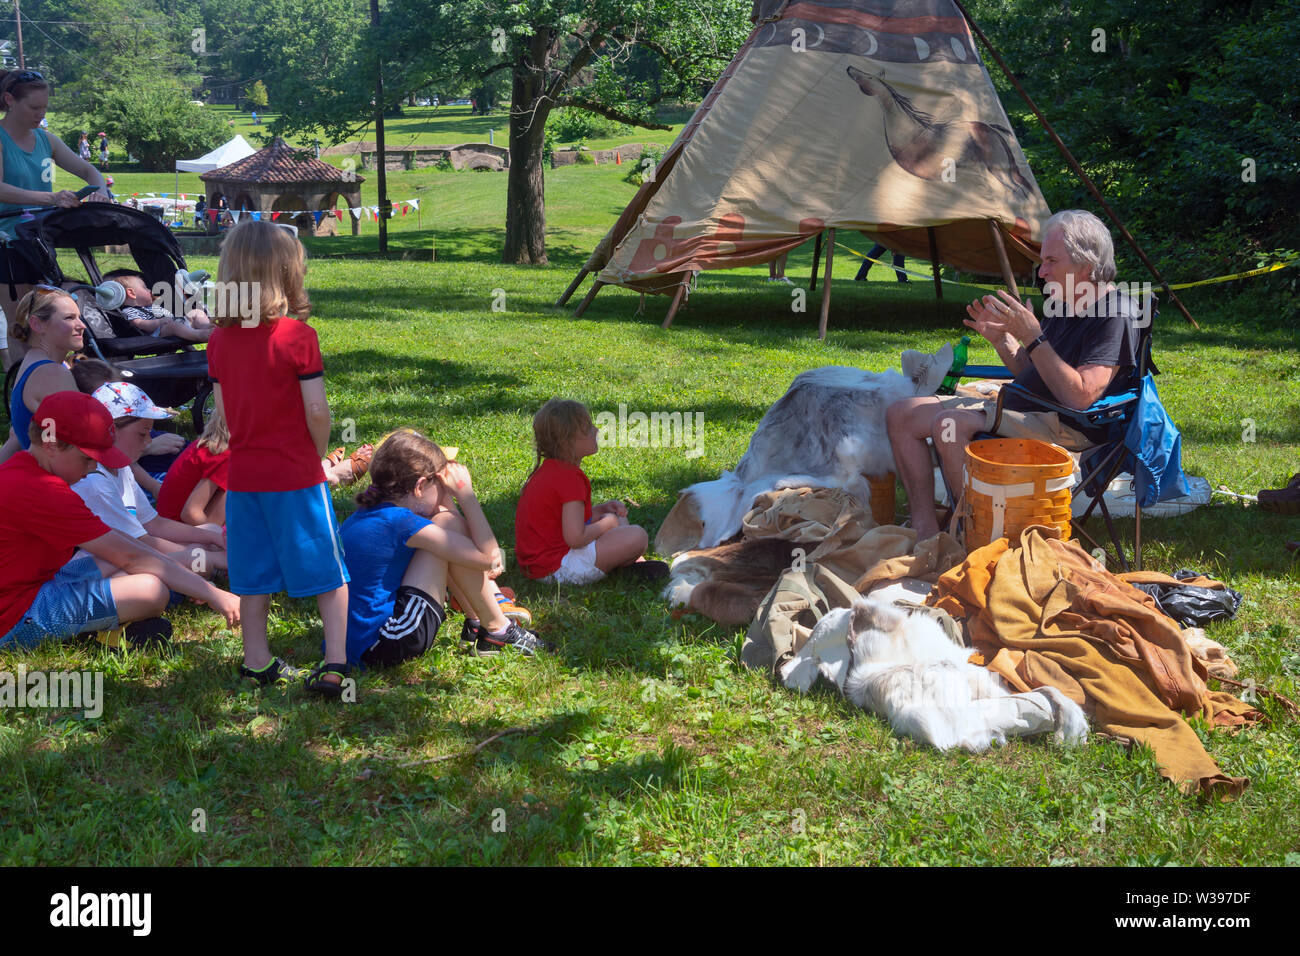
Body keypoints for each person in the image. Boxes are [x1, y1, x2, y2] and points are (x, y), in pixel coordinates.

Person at [886, 209, 1140, 540]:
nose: (1042, 272)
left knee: (950, 425)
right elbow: (1031, 372)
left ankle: (975, 534)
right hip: (1027, 405)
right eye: (1042, 262)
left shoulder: (1114, 314)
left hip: (1067, 422)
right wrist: (1003, 341)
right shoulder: (1062, 302)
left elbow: (1080, 395)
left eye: (1051, 261)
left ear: (1086, 268)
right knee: (901, 414)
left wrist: (1033, 335)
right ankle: (925, 528)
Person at [206, 219, 351, 695]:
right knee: (328, 571)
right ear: (287, 273)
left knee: (252, 575)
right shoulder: (298, 337)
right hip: (295, 475)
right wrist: (318, 454)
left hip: (244, 478)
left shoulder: (218, 341)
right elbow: (316, 409)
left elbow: (224, 414)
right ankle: (334, 666)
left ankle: (256, 661)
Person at [0, 391, 239, 651]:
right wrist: (213, 593)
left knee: (147, 571)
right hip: (14, 615)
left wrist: (201, 565)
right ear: (52, 444)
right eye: (88, 458)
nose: (92, 468)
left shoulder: (25, 470)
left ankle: (109, 626)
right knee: (150, 590)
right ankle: (98, 635)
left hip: (41, 582)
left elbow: (133, 543)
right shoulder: (46, 491)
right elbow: (134, 556)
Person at [341, 430, 547, 665]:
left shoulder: (368, 514)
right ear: (419, 486)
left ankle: (480, 623)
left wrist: (442, 503)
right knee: (443, 527)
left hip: (357, 643)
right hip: (390, 640)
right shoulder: (402, 522)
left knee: (444, 530)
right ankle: (498, 629)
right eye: (441, 485)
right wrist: (466, 496)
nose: (444, 494)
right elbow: (490, 558)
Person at [0, 71, 109, 369]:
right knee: (20, 323)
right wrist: (50, 198)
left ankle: (47, 382)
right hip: (8, 243)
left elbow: (89, 171)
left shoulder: (45, 139)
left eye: (45, 107)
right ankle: (20, 396)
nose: (41, 114)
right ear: (10, 100)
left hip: (39, 241)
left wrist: (100, 191)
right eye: (34, 108)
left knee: (44, 320)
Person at [72, 382, 228, 575]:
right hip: (98, 567)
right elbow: (141, 543)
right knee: (163, 579)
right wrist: (201, 557)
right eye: (142, 434)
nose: (148, 442)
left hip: (134, 552)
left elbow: (155, 524)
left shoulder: (123, 469)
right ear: (109, 430)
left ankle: (195, 573)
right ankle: (197, 575)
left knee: (211, 532)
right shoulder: (94, 481)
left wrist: (212, 539)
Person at [515, 398, 669, 584]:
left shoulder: (552, 471)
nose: (596, 430)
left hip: (541, 564)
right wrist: (607, 523)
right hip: (558, 569)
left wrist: (601, 511)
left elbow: (564, 521)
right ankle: (629, 565)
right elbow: (575, 538)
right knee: (637, 535)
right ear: (566, 442)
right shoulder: (570, 478)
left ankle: (634, 564)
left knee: (617, 517)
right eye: (588, 429)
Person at [0, 287, 85, 466]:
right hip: (69, 481)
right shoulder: (51, 374)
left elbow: (16, 435)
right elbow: (86, 440)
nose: (81, 325)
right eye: (69, 318)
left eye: (79, 316)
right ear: (37, 324)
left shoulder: (31, 362)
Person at [102, 268, 213, 343]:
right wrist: (159, 322)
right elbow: (140, 324)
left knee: (195, 312)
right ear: (131, 293)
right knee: (173, 327)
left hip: (173, 322)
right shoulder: (129, 311)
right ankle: (199, 335)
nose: (149, 290)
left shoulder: (150, 306)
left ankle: (209, 328)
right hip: (158, 332)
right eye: (145, 288)